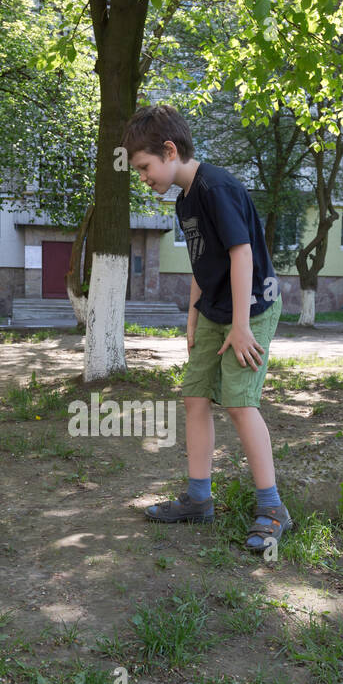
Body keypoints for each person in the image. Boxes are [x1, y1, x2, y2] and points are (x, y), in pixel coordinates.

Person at [124, 105, 290, 553]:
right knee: (194, 397)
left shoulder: (216, 187)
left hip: (250, 312)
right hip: (215, 312)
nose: (143, 177)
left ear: (170, 150)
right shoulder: (185, 200)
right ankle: (199, 499)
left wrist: (239, 326)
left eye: (144, 167)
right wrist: (193, 316)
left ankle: (272, 508)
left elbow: (242, 255)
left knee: (239, 404)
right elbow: (202, 262)